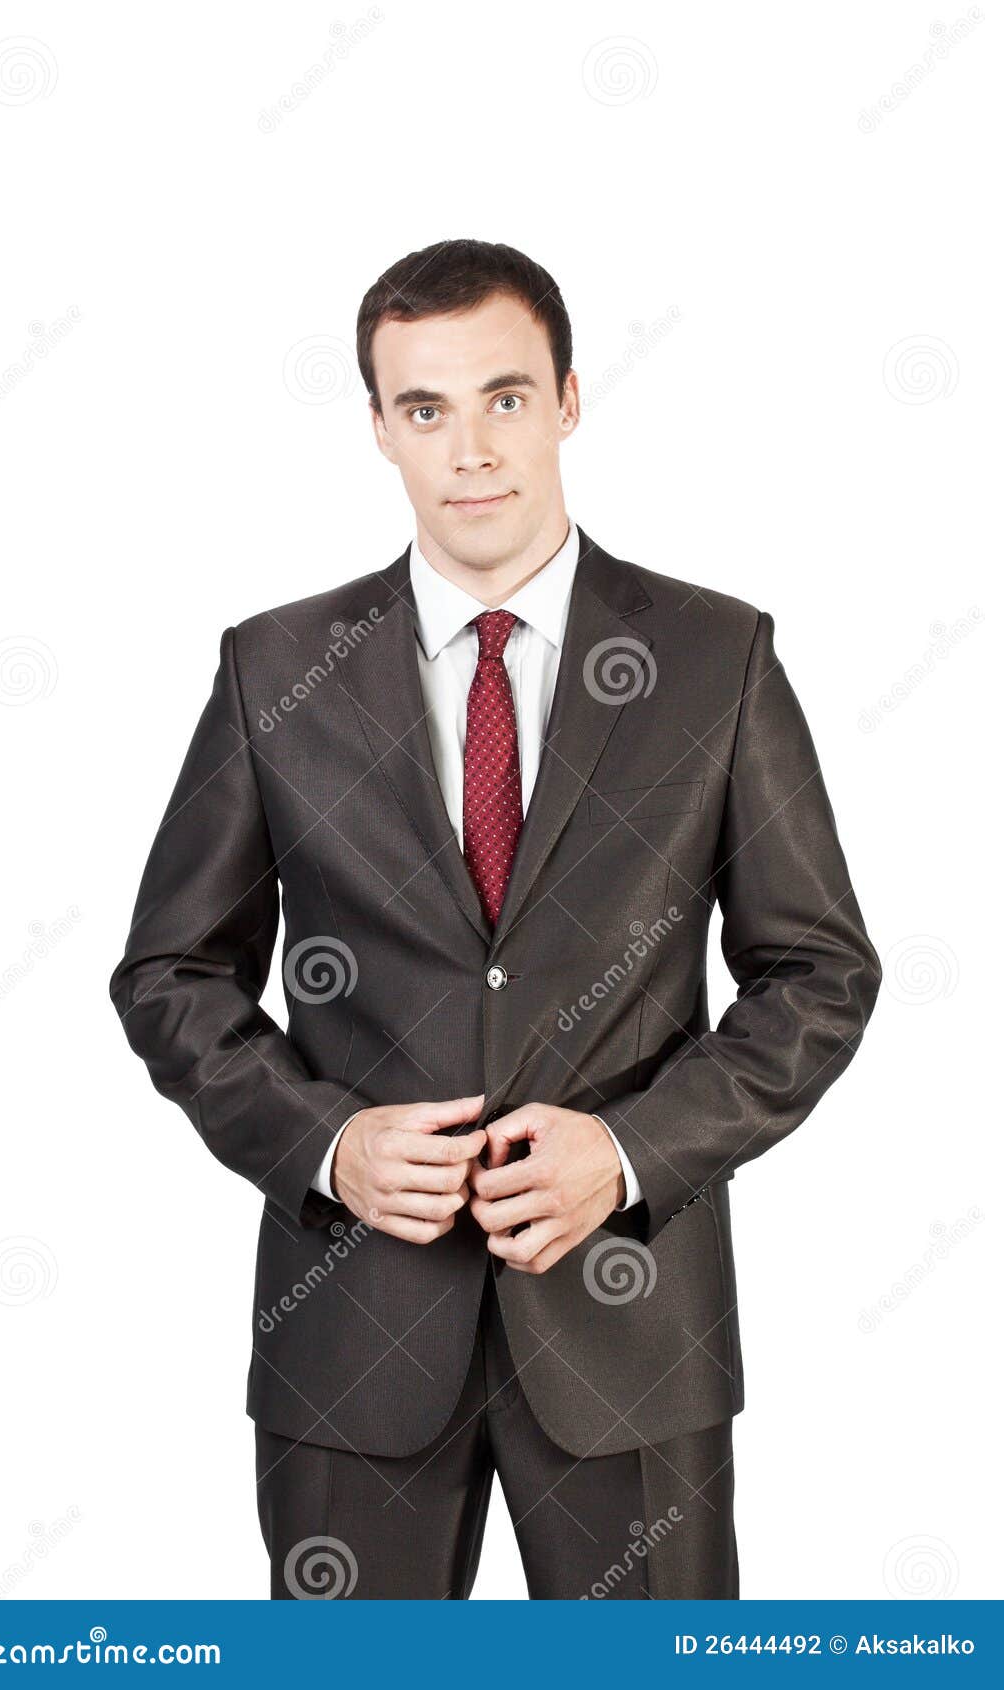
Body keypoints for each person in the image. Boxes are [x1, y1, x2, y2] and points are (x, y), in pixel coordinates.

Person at [110, 238, 880, 1600]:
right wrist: (327, 1143)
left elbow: (814, 972)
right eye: (426, 409)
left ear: (571, 399)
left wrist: (634, 1151)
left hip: (630, 1334)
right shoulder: (276, 667)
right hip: (350, 1337)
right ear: (379, 430)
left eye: (506, 397)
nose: (471, 448)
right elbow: (172, 970)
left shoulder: (717, 656)